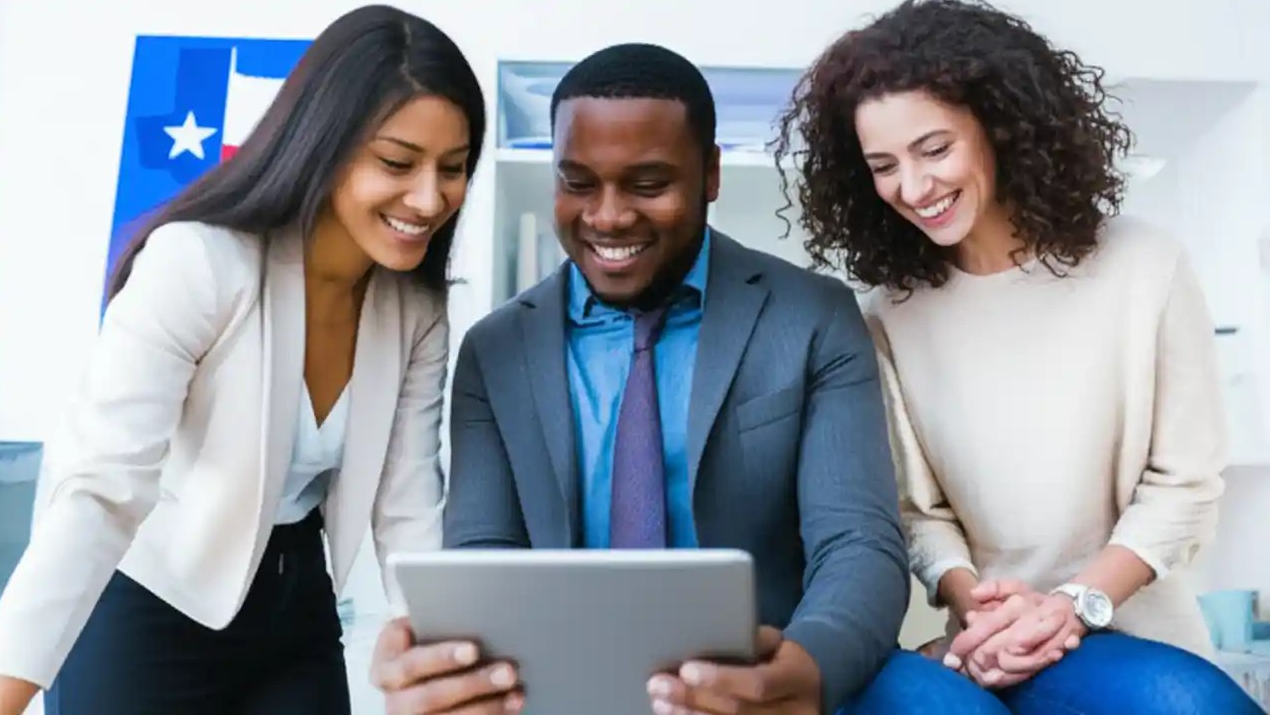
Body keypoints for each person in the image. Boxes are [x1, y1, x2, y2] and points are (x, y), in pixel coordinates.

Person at [369, 41, 1014, 715]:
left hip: (770, 666)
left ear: (710, 174)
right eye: (578, 182)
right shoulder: (495, 350)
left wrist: (807, 667)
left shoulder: (812, 317)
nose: (608, 216)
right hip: (560, 683)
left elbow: (857, 542)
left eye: (648, 185)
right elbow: (482, 554)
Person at [772, 0, 1262, 712]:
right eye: (883, 165)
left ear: (999, 127)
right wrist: (985, 612)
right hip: (985, 646)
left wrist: (1071, 605)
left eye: (934, 149)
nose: (912, 187)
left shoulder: (1144, 267)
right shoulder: (888, 316)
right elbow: (918, 513)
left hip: (1134, 639)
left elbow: (1183, 486)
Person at [0, 5, 484, 715]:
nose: (430, 197)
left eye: (454, 168)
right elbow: (99, 494)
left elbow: (406, 509)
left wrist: (448, 664)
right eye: (397, 163)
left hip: (295, 609)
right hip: (148, 603)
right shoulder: (197, 262)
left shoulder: (417, 310)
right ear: (327, 144)